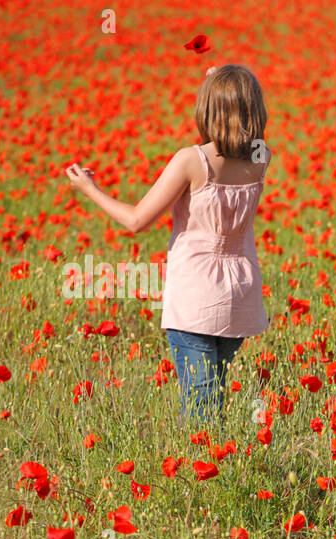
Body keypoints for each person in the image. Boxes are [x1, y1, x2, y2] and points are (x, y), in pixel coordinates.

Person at [65, 64, 270, 428]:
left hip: (198, 298)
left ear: (206, 108)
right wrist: (224, 83)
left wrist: (90, 190)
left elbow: (136, 220)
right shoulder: (260, 157)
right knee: (212, 392)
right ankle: (216, 463)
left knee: (201, 409)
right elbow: (236, 111)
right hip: (240, 293)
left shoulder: (193, 161)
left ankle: (202, 470)